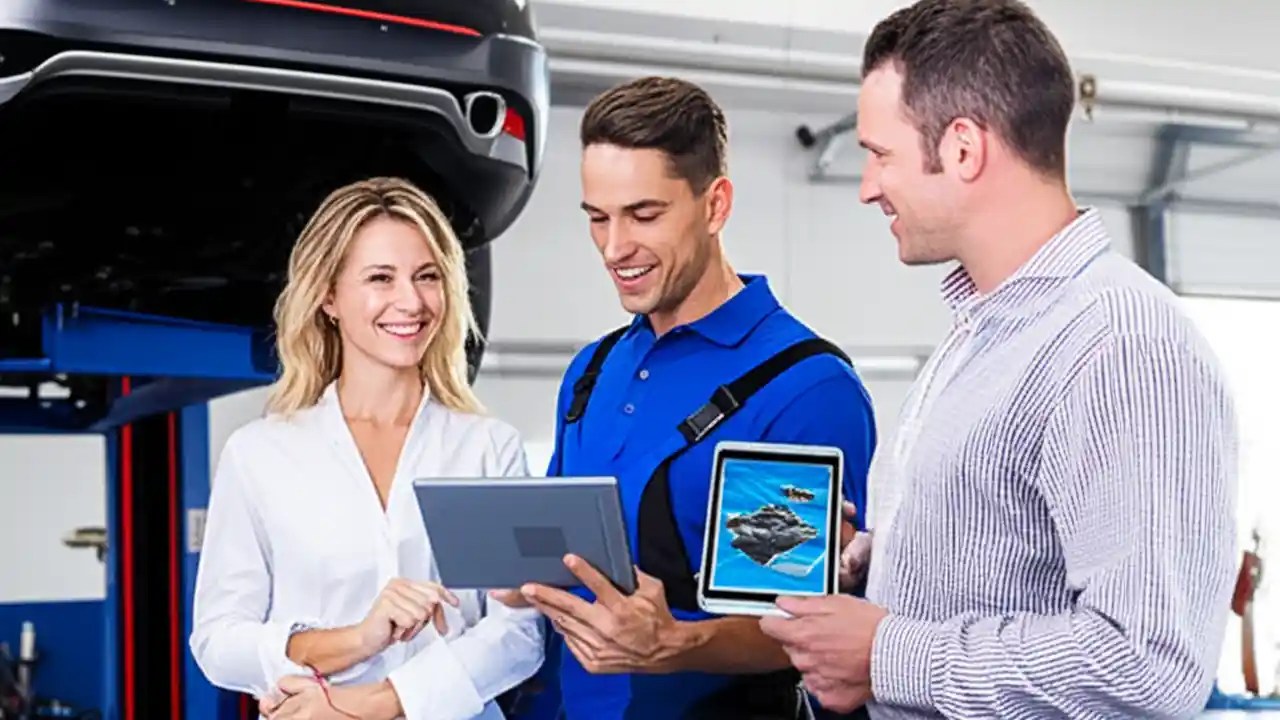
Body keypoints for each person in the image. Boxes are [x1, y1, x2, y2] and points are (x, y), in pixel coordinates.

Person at [758, 1, 1240, 718]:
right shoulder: (978, 334)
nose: (866, 186)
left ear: (962, 149)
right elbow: (1002, 563)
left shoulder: (1121, 346)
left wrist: (885, 653)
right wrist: (871, 564)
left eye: (879, 154)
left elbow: (1147, 666)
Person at [515, 76, 878, 719]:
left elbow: (792, 621)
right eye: (598, 218)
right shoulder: (593, 371)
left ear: (715, 206)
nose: (614, 247)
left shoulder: (798, 386)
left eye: (644, 215)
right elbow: (558, 555)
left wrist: (674, 644)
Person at [189, 177, 543, 720]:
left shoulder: (487, 447)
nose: (411, 301)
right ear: (329, 296)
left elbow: (518, 635)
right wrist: (356, 639)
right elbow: (218, 641)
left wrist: (377, 703)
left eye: (427, 277)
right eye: (381, 277)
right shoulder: (260, 453)